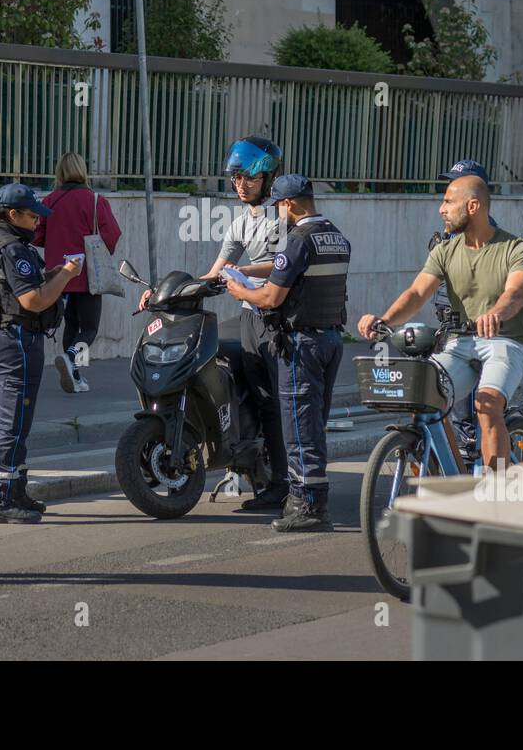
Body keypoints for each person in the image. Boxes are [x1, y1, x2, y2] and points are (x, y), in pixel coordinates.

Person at [139, 136, 293, 511]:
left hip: (277, 320)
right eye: (237, 177)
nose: (241, 185)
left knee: (269, 400)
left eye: (249, 179)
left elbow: (283, 265)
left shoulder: (283, 220)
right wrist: (165, 293)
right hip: (249, 315)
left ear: (270, 178)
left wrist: (237, 272)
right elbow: (214, 273)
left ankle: (281, 483)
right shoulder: (242, 222)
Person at [358, 172, 523, 471]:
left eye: (448, 202)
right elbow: (417, 293)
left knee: (487, 404)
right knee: (426, 398)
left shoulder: (516, 248)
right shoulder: (445, 250)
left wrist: (496, 314)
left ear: (473, 206)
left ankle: (496, 495)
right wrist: (384, 319)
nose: (441, 209)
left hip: (508, 343)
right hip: (460, 344)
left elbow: (516, 293)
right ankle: (454, 476)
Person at [225, 174, 350, 531]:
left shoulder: (297, 239)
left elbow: (271, 297)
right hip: (330, 340)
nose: (277, 212)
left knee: (297, 426)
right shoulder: (335, 237)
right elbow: (292, 269)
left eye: (278, 205)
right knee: (314, 424)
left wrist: (240, 292)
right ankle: (312, 498)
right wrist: (250, 269)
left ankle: (307, 506)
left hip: (300, 343)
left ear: (290, 204)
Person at [0, 184, 81, 524]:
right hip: (15, 336)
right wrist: (65, 275)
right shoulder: (12, 249)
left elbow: (16, 285)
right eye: (33, 215)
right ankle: (0, 498)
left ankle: (16, 488)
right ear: (13, 214)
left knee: (18, 417)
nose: (37, 221)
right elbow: (32, 300)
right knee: (14, 419)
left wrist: (49, 275)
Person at [35, 153, 121, 394]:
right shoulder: (95, 200)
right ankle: (72, 358)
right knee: (89, 328)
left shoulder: (49, 201)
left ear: (59, 173)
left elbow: (37, 235)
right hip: (87, 274)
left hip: (58, 275)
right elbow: (112, 235)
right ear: (83, 171)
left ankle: (75, 376)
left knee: (71, 325)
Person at [429, 159, 498, 319]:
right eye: (451, 181)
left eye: (458, 182)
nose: (451, 187)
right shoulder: (457, 223)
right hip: (451, 315)